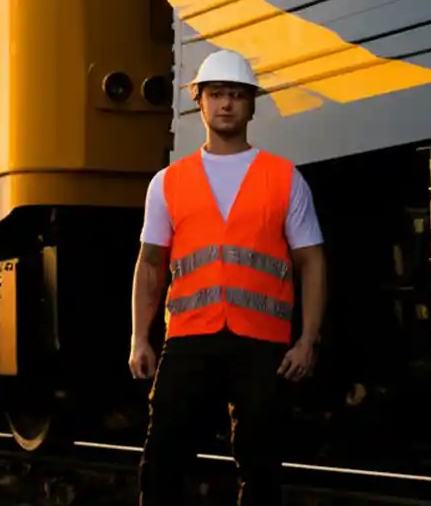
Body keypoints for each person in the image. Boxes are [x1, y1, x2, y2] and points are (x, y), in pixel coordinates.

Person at [129, 49, 328, 506]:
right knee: (162, 458)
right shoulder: (167, 182)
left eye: (237, 95)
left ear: (252, 104)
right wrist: (140, 337)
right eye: (217, 94)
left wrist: (308, 339)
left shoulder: (284, 178)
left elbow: (312, 261)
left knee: (261, 463)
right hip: (189, 339)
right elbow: (151, 264)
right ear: (198, 100)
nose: (226, 105)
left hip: (261, 343)